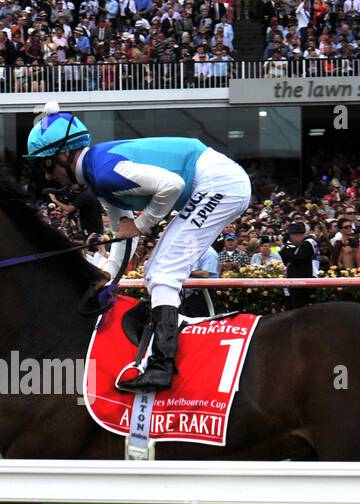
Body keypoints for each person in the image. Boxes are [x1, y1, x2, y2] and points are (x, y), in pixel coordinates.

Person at [23, 102, 252, 391]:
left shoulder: (104, 172)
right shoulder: (98, 176)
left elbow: (171, 185)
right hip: (218, 181)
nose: (47, 176)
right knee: (156, 271)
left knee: (164, 272)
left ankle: (163, 366)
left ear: (65, 154)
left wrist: (143, 226)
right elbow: (123, 234)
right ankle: (166, 353)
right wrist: (107, 275)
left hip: (219, 182)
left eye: (46, 164)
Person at [279, 221, 316, 308]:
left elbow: (296, 259)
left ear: (296, 235)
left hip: (305, 284)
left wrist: (283, 247)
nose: (290, 240)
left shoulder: (308, 243)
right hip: (298, 284)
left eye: (290, 237)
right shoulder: (301, 246)